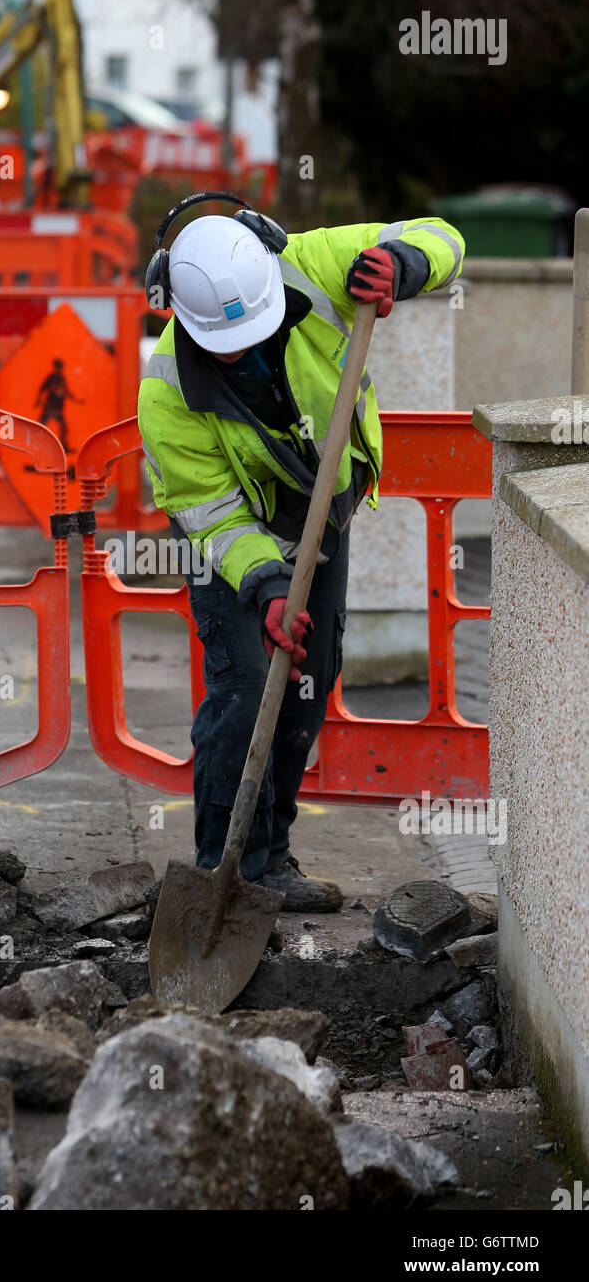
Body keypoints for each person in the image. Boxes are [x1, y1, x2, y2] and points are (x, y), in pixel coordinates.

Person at [138, 194, 464, 912]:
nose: (246, 348)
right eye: (227, 344)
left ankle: (271, 861)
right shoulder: (168, 392)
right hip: (235, 548)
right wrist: (266, 586)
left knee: (309, 683)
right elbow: (210, 511)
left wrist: (405, 266)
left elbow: (440, 234)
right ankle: (224, 868)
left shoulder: (313, 265)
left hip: (324, 519)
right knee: (247, 689)